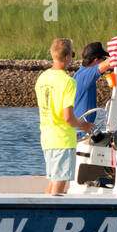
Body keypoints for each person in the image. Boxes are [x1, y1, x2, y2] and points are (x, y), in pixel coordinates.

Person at [35, 38, 94, 195]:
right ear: (67, 56)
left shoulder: (42, 78)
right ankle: (51, 216)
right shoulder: (68, 82)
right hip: (63, 139)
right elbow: (67, 117)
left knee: (53, 181)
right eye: (73, 54)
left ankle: (43, 213)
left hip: (47, 138)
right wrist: (84, 126)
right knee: (59, 186)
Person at [73, 42, 114, 131]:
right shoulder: (85, 76)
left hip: (81, 130)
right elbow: (109, 63)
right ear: (96, 60)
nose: (104, 60)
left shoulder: (80, 73)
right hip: (80, 133)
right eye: (103, 58)